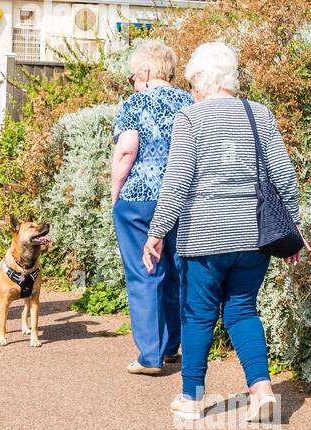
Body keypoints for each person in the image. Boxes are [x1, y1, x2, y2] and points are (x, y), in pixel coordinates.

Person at [144, 41, 304, 424]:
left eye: (192, 83)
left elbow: (178, 180)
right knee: (242, 310)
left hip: (205, 235)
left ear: (201, 79)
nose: (192, 92)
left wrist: (157, 231)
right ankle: (262, 389)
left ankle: (192, 397)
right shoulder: (258, 113)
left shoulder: (190, 118)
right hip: (255, 236)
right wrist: (294, 225)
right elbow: (284, 174)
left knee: (198, 314)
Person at [111, 41, 193, 378]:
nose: (132, 82)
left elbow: (126, 152)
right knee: (176, 271)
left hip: (140, 198)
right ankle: (172, 346)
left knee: (144, 272)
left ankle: (149, 354)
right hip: (181, 198)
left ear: (145, 73)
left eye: (132, 77)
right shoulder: (191, 103)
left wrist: (115, 193)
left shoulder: (135, 102)